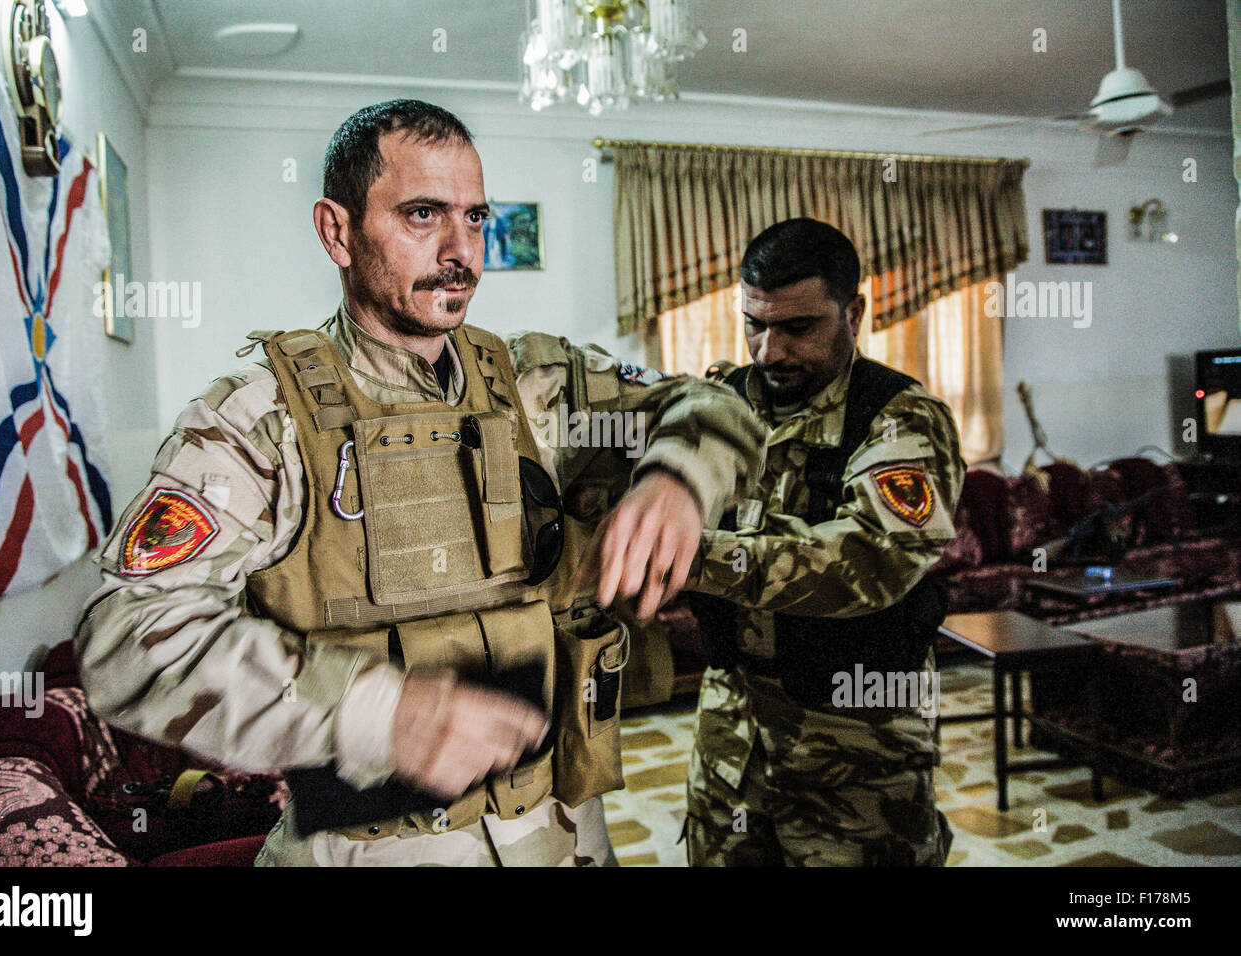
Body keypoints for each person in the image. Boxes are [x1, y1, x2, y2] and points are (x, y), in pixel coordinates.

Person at [73, 99, 764, 867]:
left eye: (474, 218)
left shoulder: (537, 379)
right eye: (422, 214)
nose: (459, 250)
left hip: (565, 832)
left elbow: (715, 402)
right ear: (336, 230)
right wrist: (376, 713)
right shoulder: (259, 417)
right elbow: (127, 634)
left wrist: (677, 478)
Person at [677, 217, 966, 866]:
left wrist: (691, 555)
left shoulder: (901, 418)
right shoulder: (722, 401)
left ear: (854, 312)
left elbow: (870, 560)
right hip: (733, 723)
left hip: (855, 742)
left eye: (799, 328)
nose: (769, 350)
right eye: (755, 323)